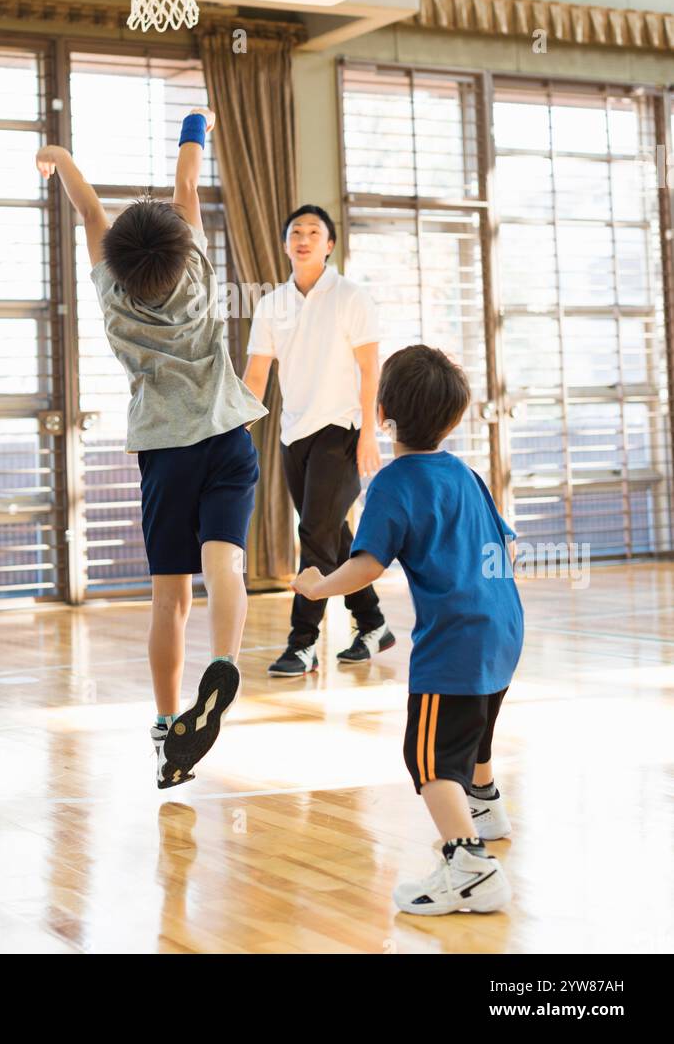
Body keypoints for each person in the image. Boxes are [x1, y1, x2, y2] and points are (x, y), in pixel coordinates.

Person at [36, 109, 267, 789]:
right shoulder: (195, 267)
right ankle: (222, 662)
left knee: (169, 597)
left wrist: (57, 153)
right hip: (227, 435)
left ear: (118, 258)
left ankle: (168, 728)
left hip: (166, 452)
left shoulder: (110, 288)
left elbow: (86, 212)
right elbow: (187, 179)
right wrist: (196, 122)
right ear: (176, 240)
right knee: (224, 564)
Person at [293, 345, 524, 915]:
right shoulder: (466, 475)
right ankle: (486, 803)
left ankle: (469, 865)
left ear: (382, 412)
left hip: (454, 641)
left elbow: (368, 564)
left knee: (428, 760)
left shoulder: (394, 483)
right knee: (474, 726)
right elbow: (508, 546)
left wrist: (319, 586)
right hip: (505, 626)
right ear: (455, 417)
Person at [243, 204, 394, 676]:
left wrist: (369, 434)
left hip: (342, 430)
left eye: (314, 231)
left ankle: (302, 642)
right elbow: (255, 375)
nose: (304, 238)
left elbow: (372, 369)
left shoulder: (351, 296)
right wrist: (233, 431)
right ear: (286, 244)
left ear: (329, 244)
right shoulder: (271, 304)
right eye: (295, 232)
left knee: (313, 536)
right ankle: (372, 624)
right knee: (332, 535)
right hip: (294, 434)